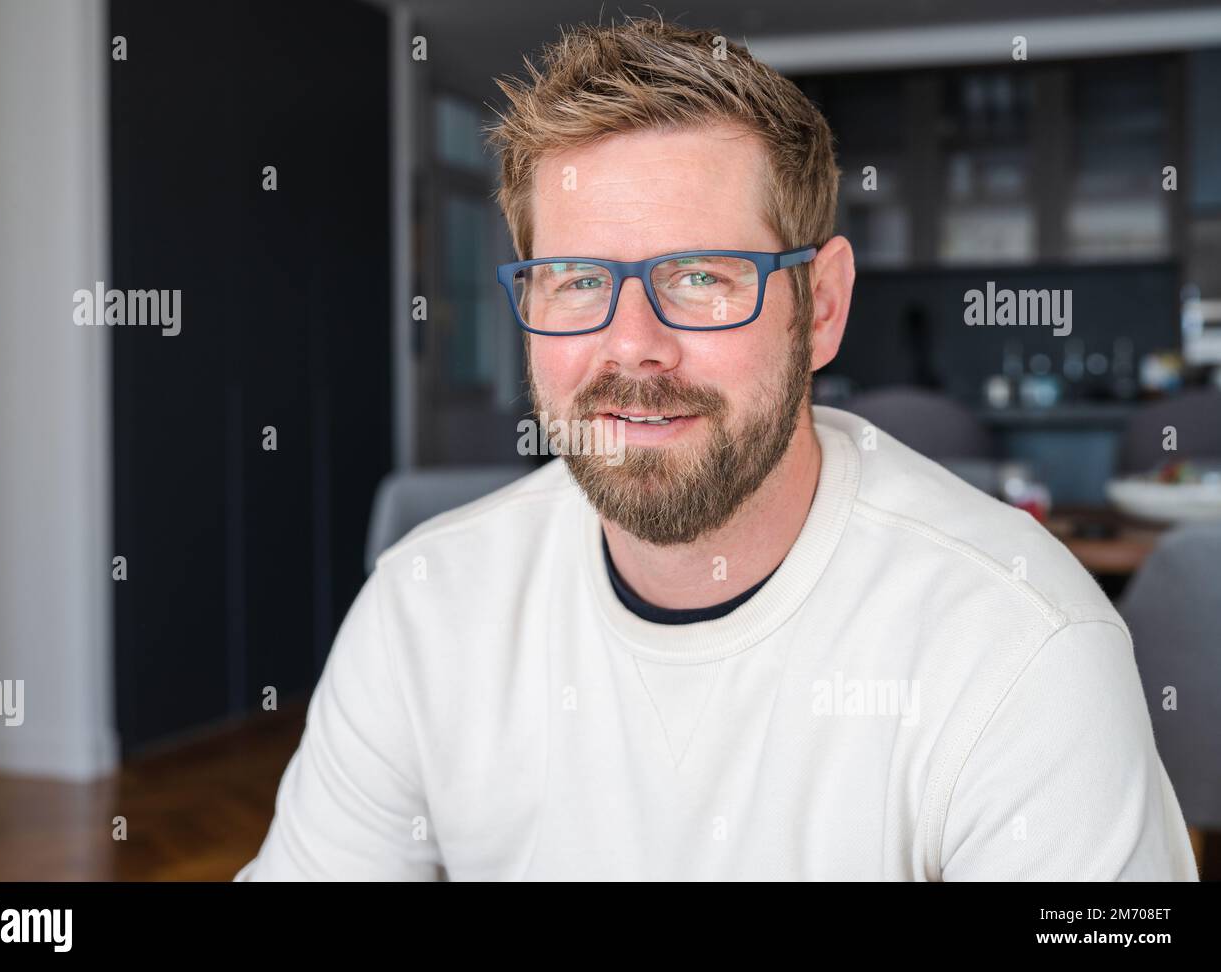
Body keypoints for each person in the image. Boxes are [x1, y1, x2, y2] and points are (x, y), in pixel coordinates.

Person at [237, 15, 1197, 881]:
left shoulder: (1022, 651)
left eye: (700, 275)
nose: (634, 346)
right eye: (576, 280)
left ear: (818, 308)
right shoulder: (422, 612)